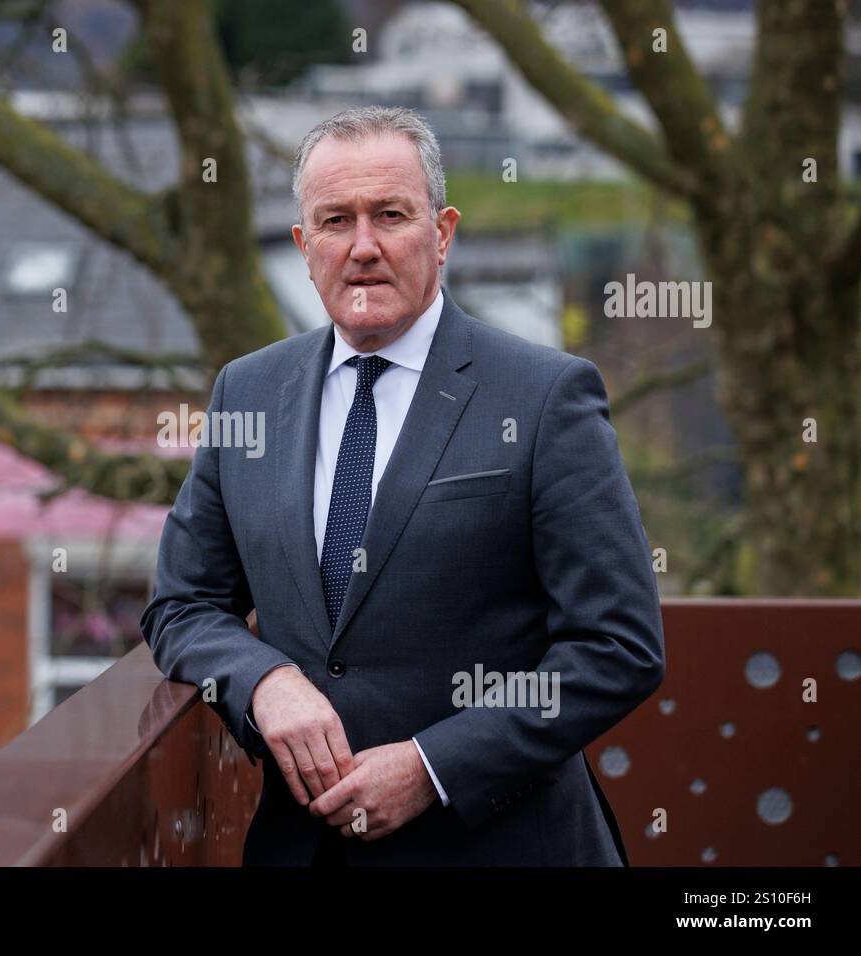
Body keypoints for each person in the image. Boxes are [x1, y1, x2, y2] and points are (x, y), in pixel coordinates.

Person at [140, 106, 664, 866]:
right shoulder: (246, 394)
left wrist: (433, 765)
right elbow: (182, 602)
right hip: (307, 848)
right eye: (334, 221)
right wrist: (262, 681)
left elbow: (619, 645)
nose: (362, 247)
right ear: (303, 244)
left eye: (390, 215)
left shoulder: (544, 396)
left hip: (501, 848)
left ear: (442, 233)